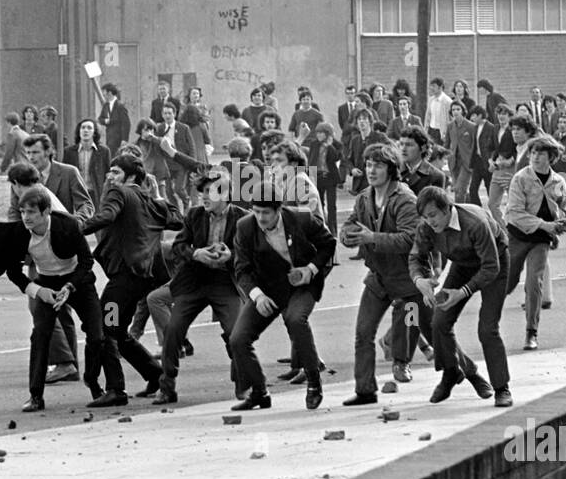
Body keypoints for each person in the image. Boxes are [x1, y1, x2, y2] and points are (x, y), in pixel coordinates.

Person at [79, 153, 180, 407]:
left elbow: (107, 216)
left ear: (131, 177)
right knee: (118, 329)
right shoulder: (150, 200)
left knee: (105, 326)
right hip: (144, 278)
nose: (109, 177)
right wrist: (157, 196)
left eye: (115, 172)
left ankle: (116, 389)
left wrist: (75, 228)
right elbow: (177, 218)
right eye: (109, 172)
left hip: (125, 278)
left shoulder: (119, 193)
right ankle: (156, 376)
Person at [230, 187, 336, 411]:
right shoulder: (245, 227)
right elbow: (241, 270)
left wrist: (310, 269)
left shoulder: (302, 218)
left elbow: (329, 243)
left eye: (266, 212)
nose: (260, 218)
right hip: (267, 290)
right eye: (256, 211)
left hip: (302, 286)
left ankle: (314, 382)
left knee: (296, 320)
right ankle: (260, 392)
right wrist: (257, 296)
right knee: (238, 338)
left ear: (279, 210)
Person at [409, 186, 511, 407]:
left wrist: (463, 292)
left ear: (447, 209)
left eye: (433, 215)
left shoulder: (475, 224)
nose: (430, 222)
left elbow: (490, 267)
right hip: (463, 263)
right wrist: (421, 280)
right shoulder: (427, 226)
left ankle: (502, 388)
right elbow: (416, 257)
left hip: (494, 263)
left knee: (487, 328)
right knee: (439, 321)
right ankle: (450, 372)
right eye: (425, 217)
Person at [9, 186, 108, 410]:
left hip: (78, 282)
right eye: (22, 212)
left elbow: (87, 261)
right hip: (47, 284)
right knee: (40, 335)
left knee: (97, 335)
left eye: (31, 212)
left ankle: (93, 383)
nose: (26, 217)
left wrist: (70, 286)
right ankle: (36, 396)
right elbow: (13, 273)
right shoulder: (19, 234)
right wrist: (38, 291)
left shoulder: (67, 225)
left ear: (46, 213)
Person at [153, 170, 247, 405]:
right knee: (173, 330)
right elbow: (178, 245)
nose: (204, 197)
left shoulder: (243, 219)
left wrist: (230, 256)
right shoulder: (194, 215)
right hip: (194, 282)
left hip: (226, 283)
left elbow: (253, 254)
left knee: (236, 333)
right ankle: (167, 387)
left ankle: (243, 385)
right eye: (202, 191)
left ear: (225, 193)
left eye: (210, 192)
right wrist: (196, 253)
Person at [342, 142, 425, 403]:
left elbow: (410, 238)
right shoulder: (364, 197)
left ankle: (405, 362)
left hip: (407, 277)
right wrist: (347, 236)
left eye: (377, 165)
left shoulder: (405, 199)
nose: (371, 170)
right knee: (363, 333)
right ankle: (365, 390)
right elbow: (349, 225)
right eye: (368, 164)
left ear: (390, 169)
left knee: (413, 322)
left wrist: (371, 237)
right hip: (378, 277)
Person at [506, 137, 566, 352]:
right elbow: (515, 213)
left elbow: (564, 207)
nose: (535, 157)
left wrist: (561, 221)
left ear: (551, 157)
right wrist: (545, 225)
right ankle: (490, 317)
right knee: (507, 280)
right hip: (518, 235)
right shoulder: (520, 178)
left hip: (541, 240)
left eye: (540, 154)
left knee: (534, 282)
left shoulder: (558, 181)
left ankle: (531, 332)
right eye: (533, 152)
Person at [154, 102, 197, 209]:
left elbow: (192, 147)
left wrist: (191, 164)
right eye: (165, 113)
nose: (167, 116)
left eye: (169, 113)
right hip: (167, 164)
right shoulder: (159, 129)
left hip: (180, 163)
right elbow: (157, 147)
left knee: (178, 188)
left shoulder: (183, 128)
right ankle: (176, 210)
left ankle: (186, 201)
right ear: (162, 115)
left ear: (174, 114)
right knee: (168, 191)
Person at [304, 121, 342, 234]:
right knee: (319, 203)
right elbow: (311, 160)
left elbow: (336, 158)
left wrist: (329, 146)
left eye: (322, 133)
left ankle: (333, 229)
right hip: (318, 177)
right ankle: (322, 227)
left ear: (328, 134)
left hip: (330, 177)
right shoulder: (314, 144)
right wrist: (309, 175)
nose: (319, 135)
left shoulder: (336, 145)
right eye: (318, 133)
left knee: (332, 205)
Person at [62, 118, 111, 200]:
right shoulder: (69, 151)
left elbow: (108, 174)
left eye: (89, 128)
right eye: (83, 127)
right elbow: (65, 175)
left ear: (94, 132)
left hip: (96, 195)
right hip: (75, 194)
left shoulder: (104, 151)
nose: (85, 130)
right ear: (79, 131)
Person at [344, 108, 387, 195]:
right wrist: (352, 170)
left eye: (364, 119)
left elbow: (389, 154)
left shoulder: (379, 137)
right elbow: (349, 159)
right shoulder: (355, 139)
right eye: (359, 119)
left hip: (376, 181)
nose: (361, 122)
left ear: (370, 121)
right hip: (359, 184)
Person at [487, 104, 516, 220]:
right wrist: (490, 161)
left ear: (509, 116)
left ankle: (513, 229)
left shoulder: (514, 129)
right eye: (499, 114)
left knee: (513, 202)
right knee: (492, 204)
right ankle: (502, 229)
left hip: (510, 168)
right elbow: (490, 147)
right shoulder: (495, 128)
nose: (501, 116)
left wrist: (510, 160)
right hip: (497, 168)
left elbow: (518, 148)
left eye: (504, 114)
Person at [445, 101, 477, 203]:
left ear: (463, 111)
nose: (455, 112)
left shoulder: (471, 126)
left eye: (458, 109)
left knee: (459, 189)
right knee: (459, 190)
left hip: (466, 162)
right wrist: (444, 157)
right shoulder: (450, 126)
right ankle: (468, 206)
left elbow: (475, 144)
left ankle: (459, 212)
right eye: (453, 109)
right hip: (453, 162)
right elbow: (446, 144)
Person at [97, 83, 131, 155]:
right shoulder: (106, 105)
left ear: (109, 93)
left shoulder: (120, 106)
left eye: (105, 94)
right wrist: (106, 121)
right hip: (109, 138)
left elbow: (126, 123)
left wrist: (124, 139)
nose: (104, 96)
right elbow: (100, 119)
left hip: (119, 138)